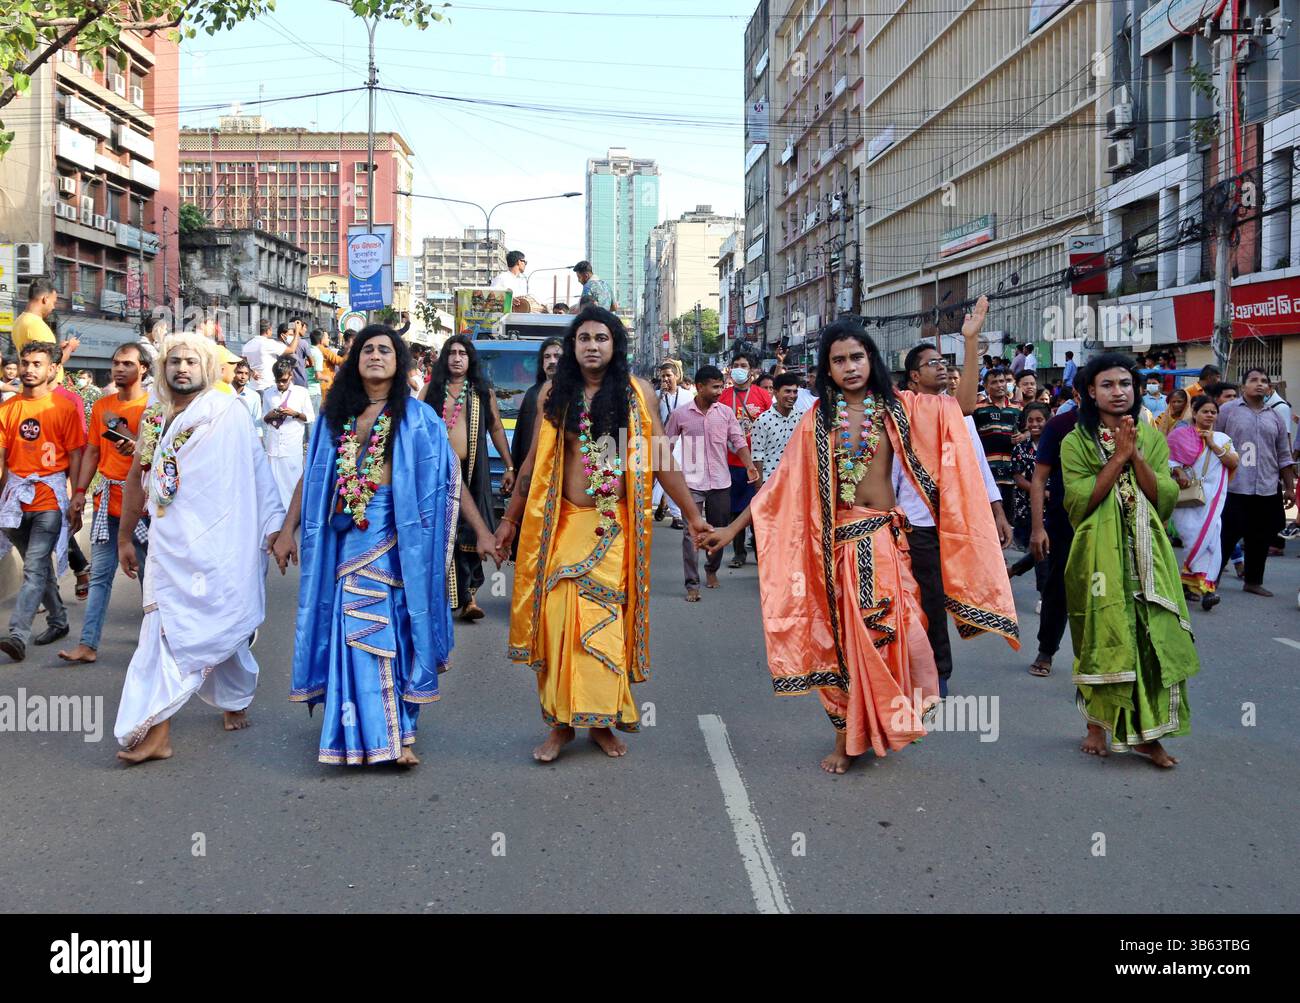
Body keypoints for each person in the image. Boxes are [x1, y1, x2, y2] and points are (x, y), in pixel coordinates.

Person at [703, 317, 1018, 773]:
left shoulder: (900, 408)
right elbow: (780, 486)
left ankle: (885, 721)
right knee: (844, 645)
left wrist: (969, 343)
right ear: (827, 370)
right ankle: (845, 739)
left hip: (888, 544)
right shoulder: (818, 420)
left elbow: (962, 405)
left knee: (903, 638)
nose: (850, 367)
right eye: (839, 360)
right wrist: (730, 531)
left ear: (871, 360)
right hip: (838, 551)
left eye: (857, 357)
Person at [273, 325, 498, 766]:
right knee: (355, 633)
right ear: (355, 361)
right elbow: (313, 477)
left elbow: (451, 481)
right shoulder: (334, 418)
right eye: (367, 349)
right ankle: (368, 735)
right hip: (344, 538)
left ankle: (399, 732)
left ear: (399, 363)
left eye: (385, 350)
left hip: (400, 538)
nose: (375, 355)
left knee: (397, 629)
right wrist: (286, 532)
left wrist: (484, 533)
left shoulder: (418, 418)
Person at [494, 306, 709, 762]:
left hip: (614, 529)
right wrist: (510, 520)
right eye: (584, 338)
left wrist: (692, 516)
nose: (592, 345)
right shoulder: (555, 395)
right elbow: (533, 463)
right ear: (572, 347)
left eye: (602, 338)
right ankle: (561, 725)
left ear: (615, 346)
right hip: (564, 524)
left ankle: (602, 721)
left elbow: (659, 460)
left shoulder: (639, 395)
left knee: (604, 625)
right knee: (557, 620)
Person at [111, 334, 285, 764]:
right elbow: (139, 477)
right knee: (165, 630)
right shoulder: (155, 415)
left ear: (206, 368)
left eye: (191, 361)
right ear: (163, 369)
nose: (182, 368)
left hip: (219, 545)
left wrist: (274, 526)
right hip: (169, 544)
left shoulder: (226, 411)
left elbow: (256, 472)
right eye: (174, 361)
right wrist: (124, 536)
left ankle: (234, 696)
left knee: (221, 621)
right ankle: (156, 733)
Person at [1061, 353, 1197, 768]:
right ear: (1090, 392)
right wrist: (1117, 458)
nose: (1118, 392)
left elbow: (1164, 497)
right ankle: (1095, 724)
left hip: (1148, 552)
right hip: (1098, 553)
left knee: (1150, 634)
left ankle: (1150, 736)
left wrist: (1135, 453)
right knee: (1100, 632)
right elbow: (1079, 501)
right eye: (1107, 385)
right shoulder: (1076, 442)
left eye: (1125, 383)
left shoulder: (1152, 438)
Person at [894, 325, 1014, 696]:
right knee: (925, 598)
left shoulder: (956, 414)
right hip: (917, 523)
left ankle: (930, 670)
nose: (942, 368)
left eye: (944, 362)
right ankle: (936, 674)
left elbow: (978, 465)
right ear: (915, 376)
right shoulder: (901, 411)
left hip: (959, 521)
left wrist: (997, 512)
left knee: (959, 589)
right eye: (933, 363)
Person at [57, 343, 151, 665]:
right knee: (99, 576)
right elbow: (93, 452)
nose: (119, 368)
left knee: (149, 578)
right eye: (115, 363)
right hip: (107, 502)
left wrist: (137, 448)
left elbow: (161, 456)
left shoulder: (154, 407)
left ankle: (158, 643)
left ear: (144, 369)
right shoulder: (101, 407)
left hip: (143, 507)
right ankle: (88, 644)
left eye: (127, 363)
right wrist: (80, 491)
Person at [0, 343, 87, 661]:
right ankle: (59, 621)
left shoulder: (63, 408)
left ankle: (17, 635)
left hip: (49, 499)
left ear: (52, 369)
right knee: (40, 571)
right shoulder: (7, 410)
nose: (28, 369)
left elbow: (76, 453)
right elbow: (3, 461)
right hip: (14, 502)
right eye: (24, 363)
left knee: (34, 568)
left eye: (37, 363)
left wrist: (77, 494)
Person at [420, 335, 512, 621]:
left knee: (472, 534)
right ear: (444, 358)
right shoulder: (430, 391)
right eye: (452, 353)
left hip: (472, 473)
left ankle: (470, 597)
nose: (457, 358)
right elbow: (415, 428)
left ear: (470, 360)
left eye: (463, 353)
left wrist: (509, 465)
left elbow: (496, 429)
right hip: (437, 475)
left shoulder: (482, 392)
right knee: (442, 533)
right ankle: (446, 596)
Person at [664, 365, 757, 601]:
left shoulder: (725, 413)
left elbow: (738, 442)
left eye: (720, 386)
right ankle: (691, 583)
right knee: (690, 534)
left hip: (720, 482)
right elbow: (666, 447)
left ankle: (711, 569)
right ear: (700, 387)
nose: (719, 391)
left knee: (718, 528)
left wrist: (749, 465)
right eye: (715, 387)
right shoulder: (680, 415)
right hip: (691, 483)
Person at [1215, 368, 1296, 597]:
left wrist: (1289, 487)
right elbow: (1214, 442)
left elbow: (1284, 454)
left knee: (1260, 537)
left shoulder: (1276, 416)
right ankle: (1212, 578)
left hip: (1267, 487)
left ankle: (1253, 581)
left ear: (1269, 388)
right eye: (1253, 380)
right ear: (1243, 387)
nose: (1259, 384)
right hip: (1235, 485)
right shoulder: (1228, 411)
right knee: (1227, 535)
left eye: (1264, 381)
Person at [1026, 375, 1082, 677]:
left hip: (1110, 524)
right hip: (1063, 523)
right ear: (1078, 392)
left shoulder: (1124, 426)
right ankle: (1046, 651)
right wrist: (1038, 528)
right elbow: (1039, 478)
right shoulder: (1059, 427)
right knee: (1057, 590)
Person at [1168, 396, 1237, 612]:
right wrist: (1178, 472)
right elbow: (1169, 463)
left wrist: (1212, 444)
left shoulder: (1222, 438)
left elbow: (1233, 462)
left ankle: (1207, 590)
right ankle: (1190, 583)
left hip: (1212, 500)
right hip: (1187, 499)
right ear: (1194, 413)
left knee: (1211, 542)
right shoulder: (1180, 436)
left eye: (1213, 412)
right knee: (1192, 540)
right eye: (1205, 411)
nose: (1209, 415)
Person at [718, 350, 771, 568]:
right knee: (734, 509)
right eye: (737, 365)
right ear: (731, 369)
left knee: (758, 508)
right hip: (730, 462)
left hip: (757, 462)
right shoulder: (723, 396)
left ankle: (762, 554)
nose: (740, 369)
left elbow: (771, 423)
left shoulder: (762, 395)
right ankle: (739, 553)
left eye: (744, 365)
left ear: (752, 370)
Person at [1008, 403, 1051, 588]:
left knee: (1045, 549)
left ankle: (1012, 571)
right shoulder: (1021, 448)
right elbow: (1018, 478)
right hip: (1028, 506)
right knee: (1042, 549)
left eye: (1039, 420)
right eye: (1031, 420)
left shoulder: (1056, 445)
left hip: (1052, 506)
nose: (1035, 424)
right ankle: (1044, 594)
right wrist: (1041, 491)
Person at [262, 356, 314, 509]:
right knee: (273, 486)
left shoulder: (301, 392)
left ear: (291, 376)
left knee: (292, 485)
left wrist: (294, 413)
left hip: (292, 448)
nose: (280, 384)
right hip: (273, 447)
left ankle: (294, 515)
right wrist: (272, 414)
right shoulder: (268, 393)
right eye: (278, 380)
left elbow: (310, 417)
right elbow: (264, 417)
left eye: (284, 380)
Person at [972, 367, 1021, 517]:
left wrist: (1023, 435)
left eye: (1003, 381)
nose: (1000, 385)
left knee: (1011, 516)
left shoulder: (1018, 409)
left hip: (1012, 472)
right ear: (986, 387)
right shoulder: (976, 409)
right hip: (987, 472)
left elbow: (1029, 432)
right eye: (994, 382)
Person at [11, 278, 79, 377]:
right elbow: (51, 362)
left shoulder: (20, 320)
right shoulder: (35, 324)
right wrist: (70, 347)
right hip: (44, 388)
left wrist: (58, 348)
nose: (53, 307)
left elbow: (36, 352)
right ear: (45, 299)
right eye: (53, 302)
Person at [750, 372, 809, 481]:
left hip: (797, 481)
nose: (792, 396)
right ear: (776, 393)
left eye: (795, 392)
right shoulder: (762, 421)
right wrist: (759, 488)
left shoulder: (803, 417)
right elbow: (757, 456)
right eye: (787, 391)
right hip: (770, 483)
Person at [653, 359, 688, 529]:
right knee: (669, 478)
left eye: (668, 376)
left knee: (681, 479)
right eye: (662, 377)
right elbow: (652, 416)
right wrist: (660, 396)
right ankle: (676, 515)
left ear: (676, 376)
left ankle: (665, 504)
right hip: (663, 442)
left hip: (683, 442)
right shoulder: (657, 396)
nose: (666, 379)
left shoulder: (688, 396)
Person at [241, 318, 295, 393]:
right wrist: (297, 332)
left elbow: (243, 363)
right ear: (268, 330)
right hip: (268, 386)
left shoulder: (247, 344)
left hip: (252, 387)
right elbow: (291, 350)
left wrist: (251, 372)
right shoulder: (268, 343)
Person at [231, 359, 263, 441]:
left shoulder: (254, 396)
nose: (243, 377)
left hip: (245, 440)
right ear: (232, 373)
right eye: (239, 373)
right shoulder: (223, 393)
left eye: (246, 373)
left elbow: (257, 424)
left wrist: (259, 445)